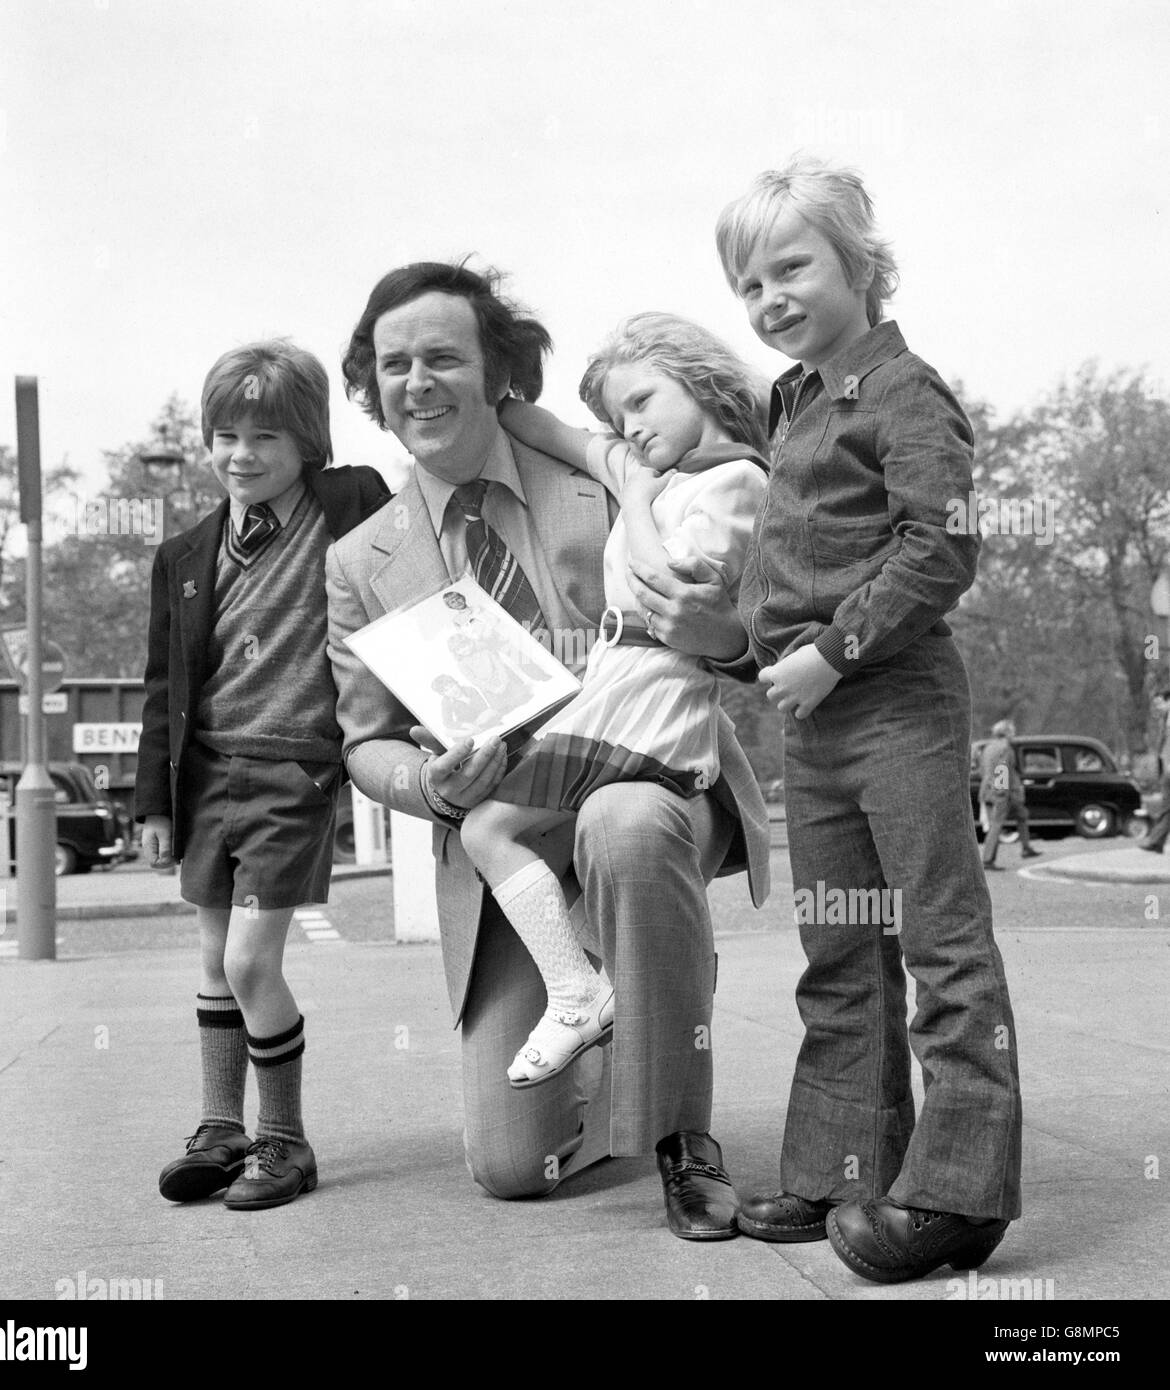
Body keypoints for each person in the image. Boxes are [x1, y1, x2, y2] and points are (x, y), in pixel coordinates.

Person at [325, 262, 770, 1241]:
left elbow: (750, 614)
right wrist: (430, 785)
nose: (417, 380)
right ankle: (605, 1002)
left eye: (444, 356)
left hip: (646, 769)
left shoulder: (613, 477)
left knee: (625, 826)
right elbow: (365, 745)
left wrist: (725, 638)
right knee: (509, 1166)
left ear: (498, 374)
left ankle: (680, 1138)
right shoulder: (359, 559)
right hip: (505, 828)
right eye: (393, 364)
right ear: (371, 386)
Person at [714, 157, 1022, 1281]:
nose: (770, 298)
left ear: (861, 262)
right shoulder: (791, 401)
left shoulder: (907, 390)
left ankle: (958, 1195)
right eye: (749, 284)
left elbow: (943, 545)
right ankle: (846, 1163)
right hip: (812, 722)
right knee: (839, 944)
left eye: (790, 267)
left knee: (942, 947)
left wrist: (833, 653)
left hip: (892, 706)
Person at [458, 312, 767, 1094]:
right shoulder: (646, 466)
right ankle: (605, 984)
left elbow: (672, 586)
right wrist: (496, 399)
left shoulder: (737, 480)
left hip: (654, 688)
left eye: (642, 401)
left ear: (697, 381)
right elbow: (560, 433)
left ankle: (581, 992)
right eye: (616, 417)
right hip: (614, 679)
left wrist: (632, 495)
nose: (629, 429)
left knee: (497, 824)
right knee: (501, 829)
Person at [135, 340, 389, 1210]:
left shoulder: (350, 502)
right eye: (225, 436)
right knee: (213, 958)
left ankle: (285, 1140)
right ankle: (220, 1126)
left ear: (307, 446)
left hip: (295, 770)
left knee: (250, 961)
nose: (241, 454)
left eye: (265, 438)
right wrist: (153, 805)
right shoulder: (184, 553)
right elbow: (163, 687)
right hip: (206, 771)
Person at [979, 719, 1040, 868]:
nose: (1014, 734)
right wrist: (1001, 792)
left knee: (1022, 815)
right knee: (996, 825)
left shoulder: (989, 747)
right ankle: (988, 859)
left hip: (988, 790)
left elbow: (984, 770)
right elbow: (1002, 769)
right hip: (1002, 792)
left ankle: (1026, 847)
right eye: (1012, 731)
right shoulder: (1005, 748)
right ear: (1007, 732)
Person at [1138, 689, 1170, 852]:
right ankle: (1157, 841)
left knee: (1166, 807)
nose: (1156, 707)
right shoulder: (1164, 721)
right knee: (1166, 807)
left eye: (1159, 703)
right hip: (1167, 769)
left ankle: (1156, 841)